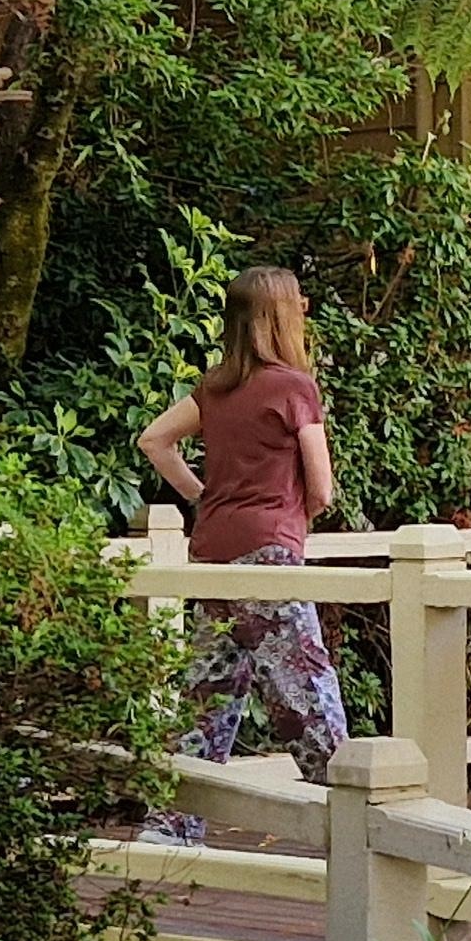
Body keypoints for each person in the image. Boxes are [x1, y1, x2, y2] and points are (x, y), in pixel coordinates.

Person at [139, 264, 349, 778]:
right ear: (279, 316)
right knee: (305, 688)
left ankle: (171, 825)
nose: (305, 309)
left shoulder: (214, 388)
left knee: (207, 696)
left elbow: (154, 441)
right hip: (270, 552)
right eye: (298, 302)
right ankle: (353, 810)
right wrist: (293, 512)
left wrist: (202, 497)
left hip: (213, 551)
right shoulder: (295, 387)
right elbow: (321, 489)